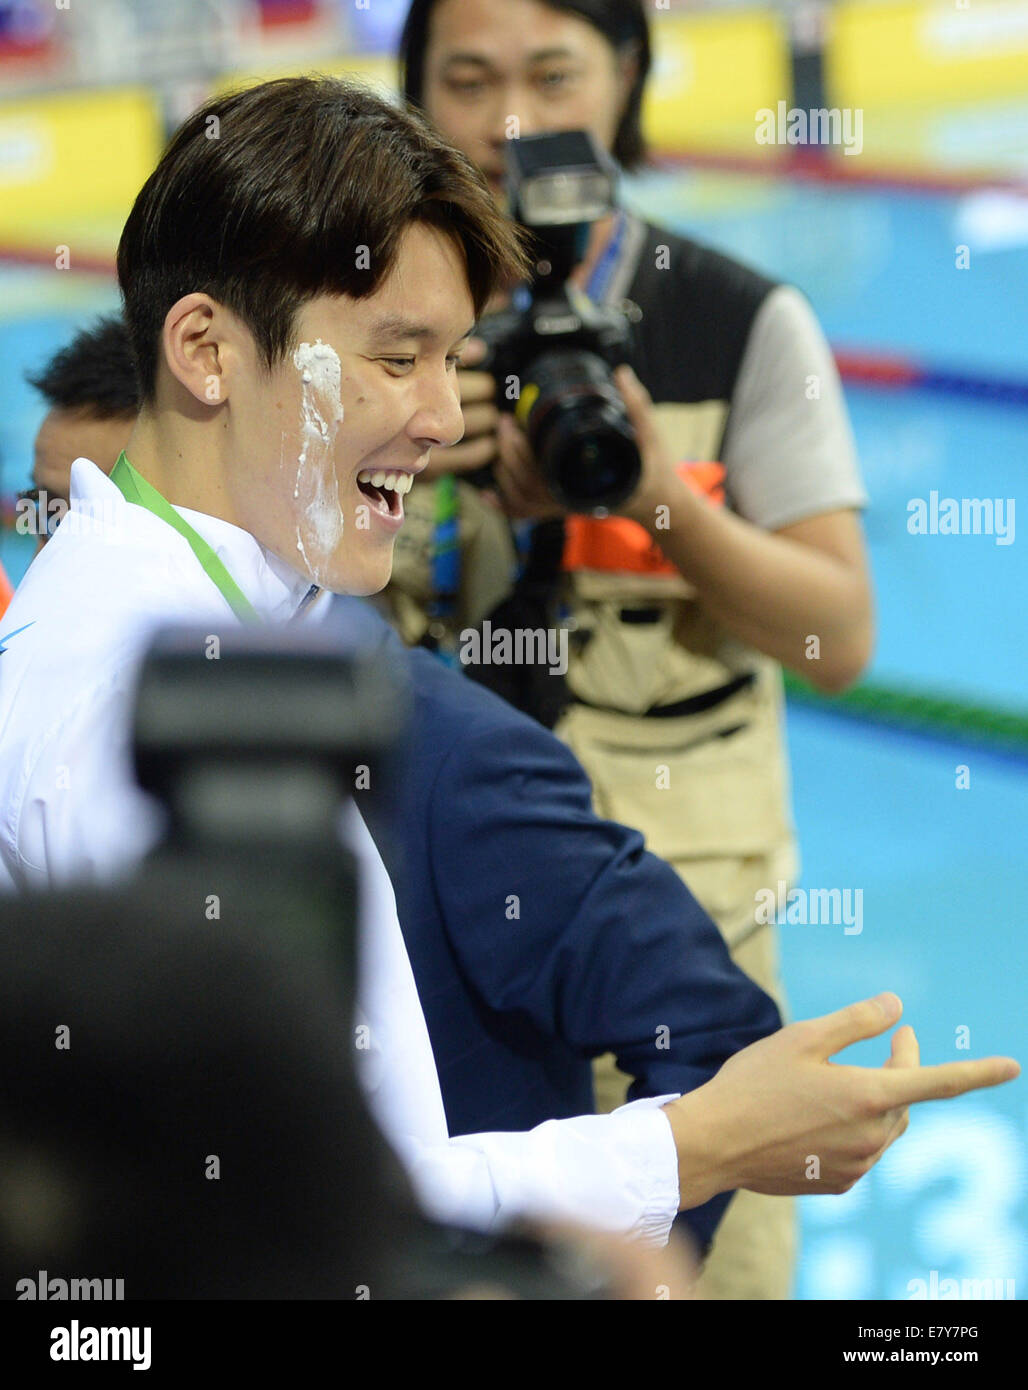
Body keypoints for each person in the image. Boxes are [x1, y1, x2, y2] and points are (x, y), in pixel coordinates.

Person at [0, 75, 1016, 1256]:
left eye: (453, 359)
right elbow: (317, 1231)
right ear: (207, 352)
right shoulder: (149, 712)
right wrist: (701, 1141)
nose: (442, 415)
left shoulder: (163, 631)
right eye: (396, 356)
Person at [390, 0, 873, 1297]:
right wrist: (429, 468)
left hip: (690, 954)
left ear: (628, 78)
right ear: (414, 95)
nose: (509, 123)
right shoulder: (387, 341)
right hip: (445, 952)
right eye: (469, 80)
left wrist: (659, 493)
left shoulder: (737, 318)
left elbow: (837, 635)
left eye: (552, 75)